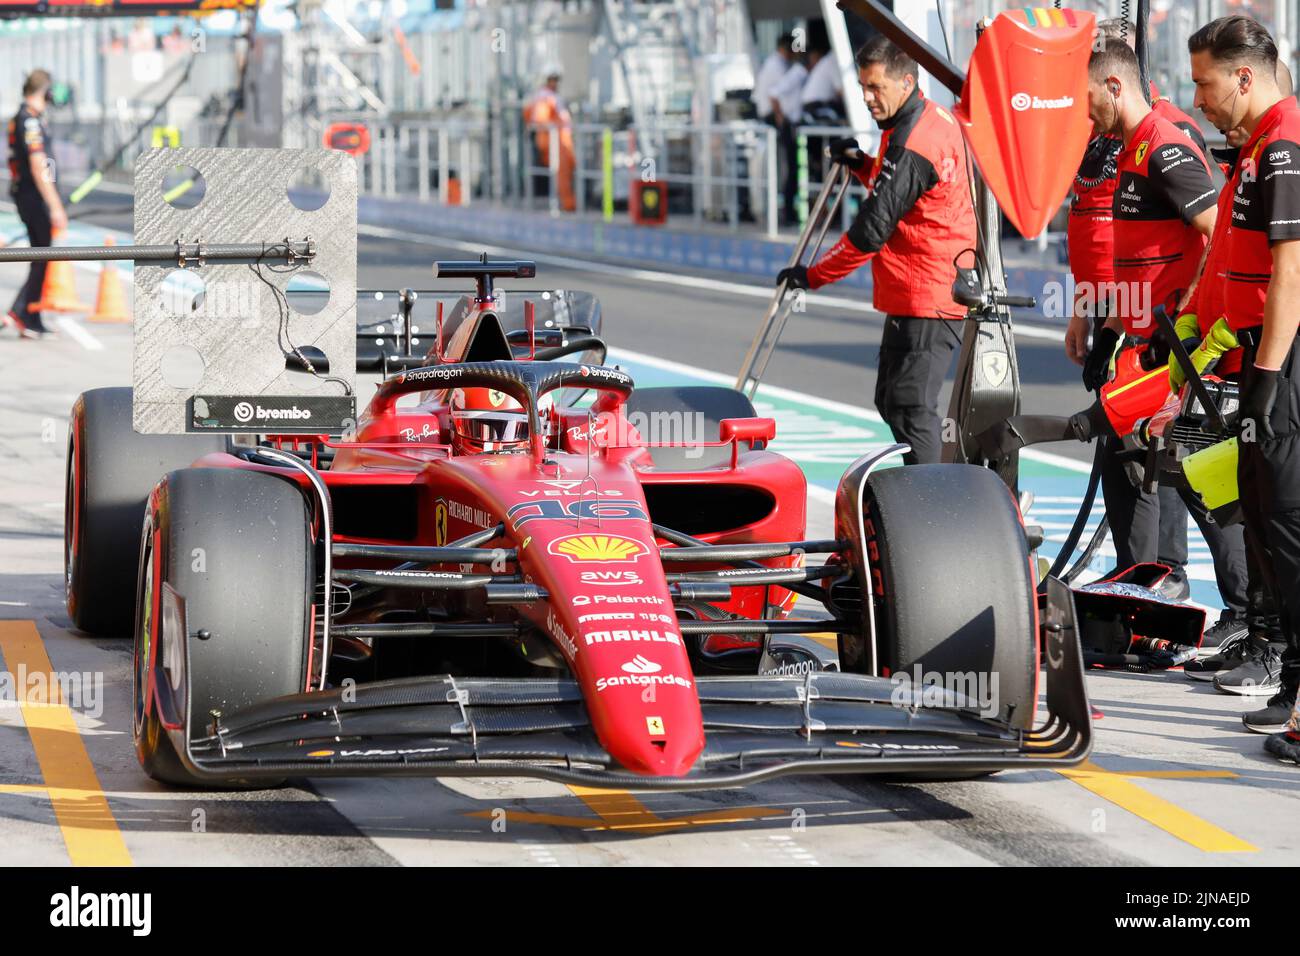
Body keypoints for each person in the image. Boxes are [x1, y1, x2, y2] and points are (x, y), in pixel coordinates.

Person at [775, 36, 975, 465]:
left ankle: (934, 505)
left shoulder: (913, 142)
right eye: (864, 87)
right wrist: (863, 164)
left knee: (911, 407)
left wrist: (812, 276)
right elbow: (906, 193)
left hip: (930, 294)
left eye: (875, 88)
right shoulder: (917, 122)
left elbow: (871, 230)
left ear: (905, 82)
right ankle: (930, 491)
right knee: (892, 399)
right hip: (921, 289)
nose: (866, 98)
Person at [1185, 16, 1300, 737]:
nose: (1198, 98)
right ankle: (1289, 674)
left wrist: (1266, 375)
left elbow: (1292, 270)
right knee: (1261, 518)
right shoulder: (1255, 145)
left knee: (1287, 524)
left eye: (1205, 82)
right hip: (1258, 353)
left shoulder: (1284, 143)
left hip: (1282, 359)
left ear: (1245, 77)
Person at [1081, 38, 1218, 585]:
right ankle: (1143, 581)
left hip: (1172, 347)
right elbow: (1140, 260)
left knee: (1184, 470)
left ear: (1114, 87)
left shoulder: (1164, 142)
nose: (1085, 113)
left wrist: (1182, 324)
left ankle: (1239, 607)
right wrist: (1108, 331)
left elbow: (1215, 235)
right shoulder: (1132, 146)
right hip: (1139, 342)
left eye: (1087, 97)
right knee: (1129, 463)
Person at [3, 69, 65, 341]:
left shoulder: (28, 118)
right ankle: (25, 313)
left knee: (41, 256)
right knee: (41, 256)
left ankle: (28, 313)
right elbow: (38, 165)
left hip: (27, 195)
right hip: (33, 197)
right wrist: (55, 205)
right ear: (45, 91)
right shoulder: (30, 121)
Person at [523, 70, 575, 212]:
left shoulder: (551, 96)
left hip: (561, 140)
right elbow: (541, 120)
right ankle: (568, 204)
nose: (555, 83)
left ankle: (569, 202)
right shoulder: (544, 97)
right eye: (552, 80)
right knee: (561, 173)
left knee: (567, 171)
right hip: (555, 141)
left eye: (556, 80)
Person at [769, 51, 809, 226]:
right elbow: (774, 93)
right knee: (791, 169)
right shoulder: (799, 72)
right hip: (789, 124)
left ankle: (790, 211)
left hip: (792, 124)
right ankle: (788, 212)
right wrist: (780, 117)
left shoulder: (799, 72)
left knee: (793, 169)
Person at [753, 34, 794, 123]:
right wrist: (779, 115)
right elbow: (774, 94)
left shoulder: (776, 61)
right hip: (772, 113)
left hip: (772, 112)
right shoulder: (776, 65)